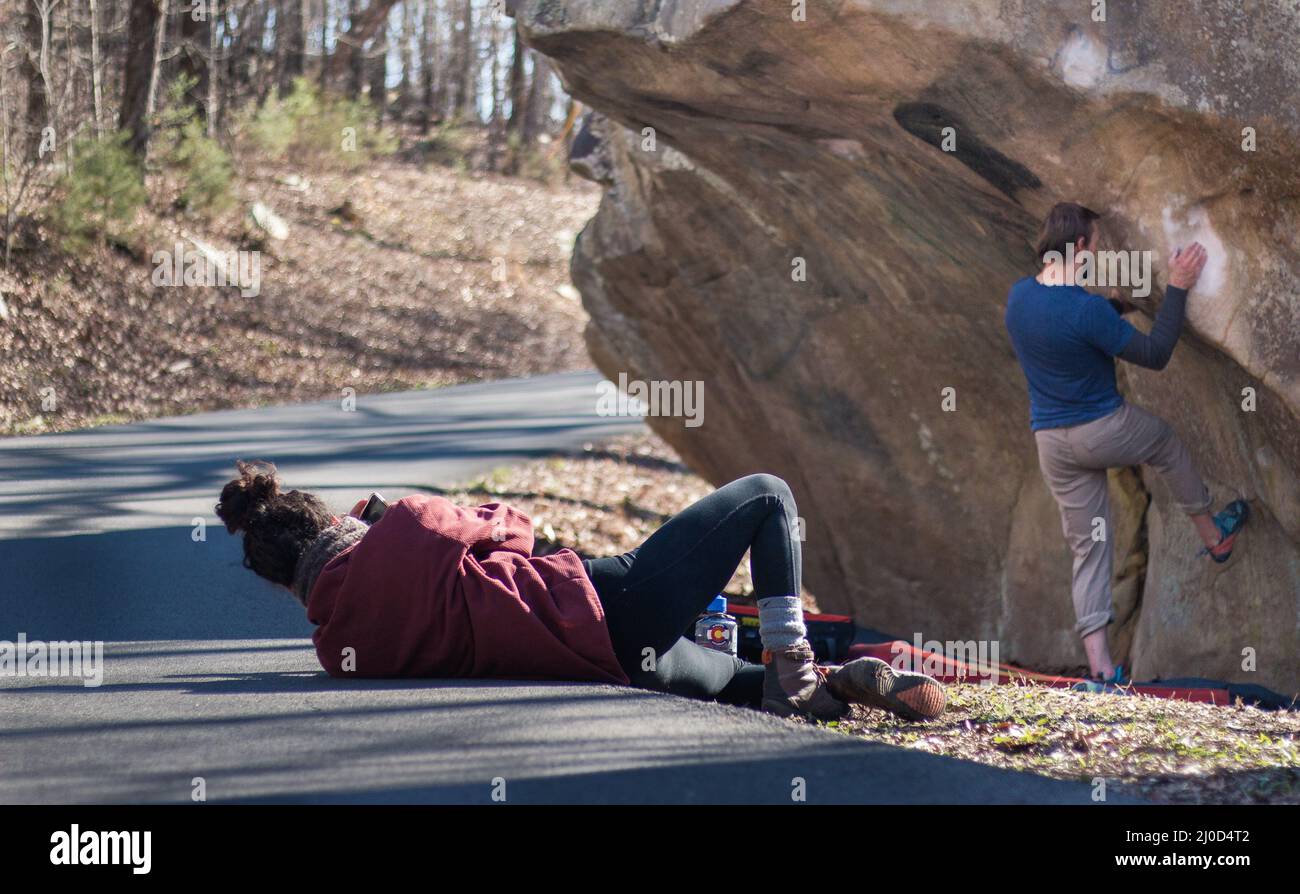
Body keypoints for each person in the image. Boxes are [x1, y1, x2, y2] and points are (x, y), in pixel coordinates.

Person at [216, 462, 946, 722]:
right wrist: (386, 519)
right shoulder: (407, 528)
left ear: (285, 581)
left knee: (748, 688)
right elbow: (517, 529)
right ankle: (799, 666)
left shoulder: (338, 647)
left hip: (621, 667)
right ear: (327, 520)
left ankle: (829, 689)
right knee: (768, 496)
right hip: (604, 604)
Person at [1004, 202, 1250, 683]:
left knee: (1089, 549)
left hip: (1052, 444)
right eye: (1094, 245)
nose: (1096, 253)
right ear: (1078, 248)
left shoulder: (1019, 298)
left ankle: (1100, 669)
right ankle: (1213, 537)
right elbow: (1156, 354)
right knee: (1165, 442)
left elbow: (1061, 328)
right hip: (1102, 431)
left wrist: (1112, 307)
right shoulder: (1086, 310)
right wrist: (1177, 287)